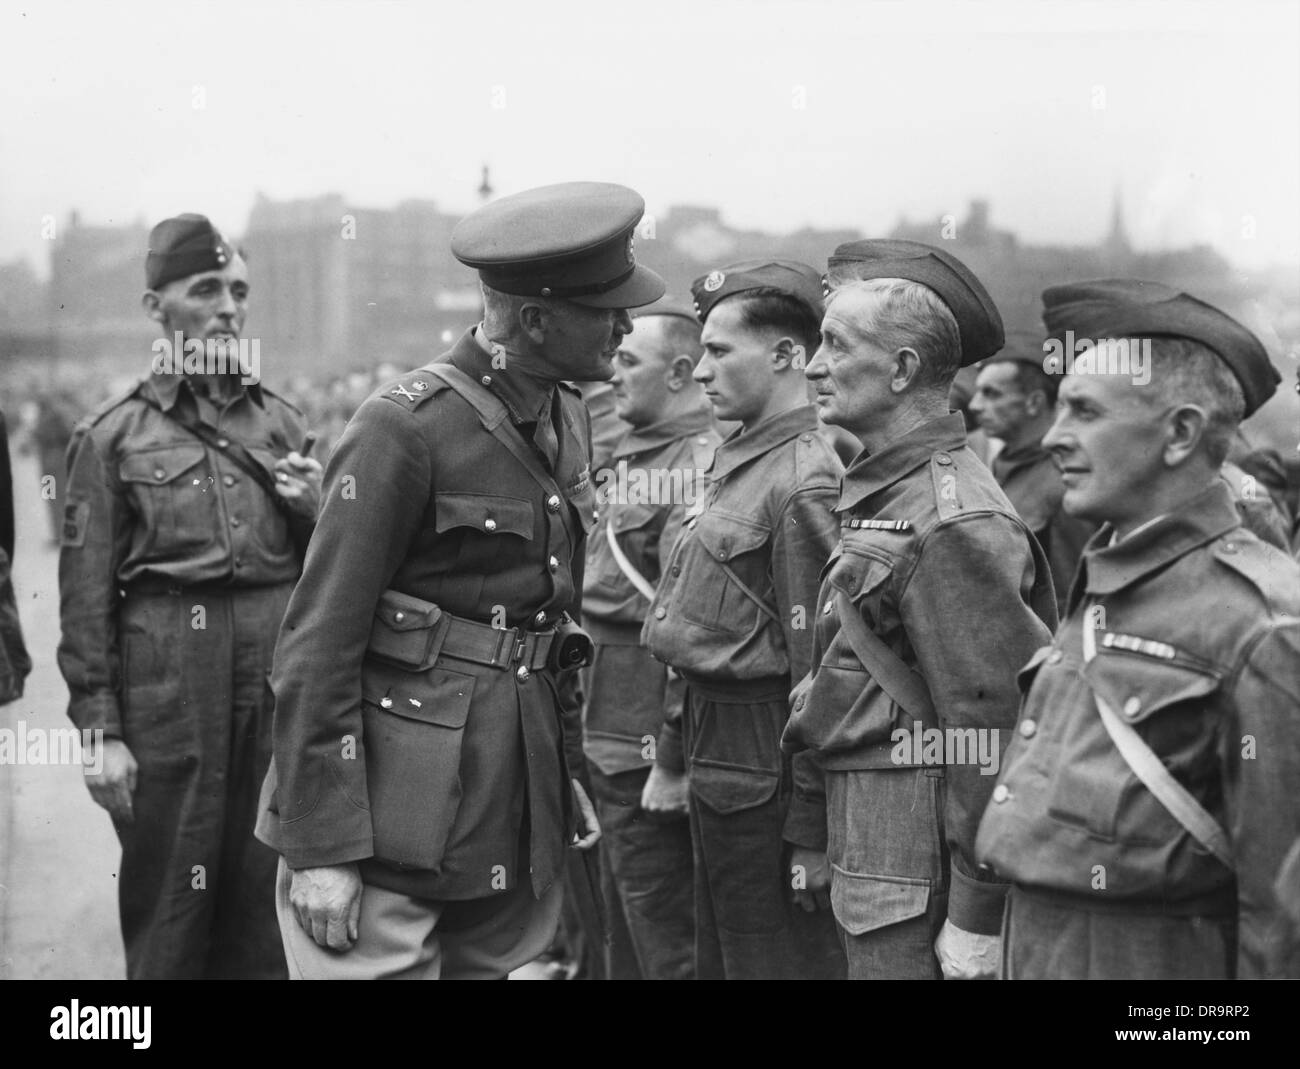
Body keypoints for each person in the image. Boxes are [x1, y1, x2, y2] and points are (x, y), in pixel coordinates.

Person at [255, 181, 664, 980]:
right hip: (389, 817)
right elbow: (317, 640)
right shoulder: (402, 427)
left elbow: (552, 628)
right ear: (536, 321)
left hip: (509, 805)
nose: (625, 325)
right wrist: (321, 846)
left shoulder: (567, 412)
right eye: (607, 309)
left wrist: (563, 779)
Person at [975, 279, 1300, 979]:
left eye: (1085, 412)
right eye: (1059, 410)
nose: (1056, 437)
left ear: (1180, 433)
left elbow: (1283, 916)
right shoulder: (1109, 573)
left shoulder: (1262, 620)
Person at [782, 239, 1057, 980]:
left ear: (902, 370)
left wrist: (975, 915)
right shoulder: (888, 492)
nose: (811, 365)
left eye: (835, 344)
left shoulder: (953, 518)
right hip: (880, 843)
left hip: (919, 866)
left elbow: (993, 727)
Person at [57, 213, 321, 979]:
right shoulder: (112, 436)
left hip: (270, 687)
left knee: (264, 905)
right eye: (206, 289)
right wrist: (99, 729)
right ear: (156, 309)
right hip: (169, 685)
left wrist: (315, 511)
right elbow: (84, 596)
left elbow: (321, 577)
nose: (230, 306)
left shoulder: (282, 422)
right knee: (170, 902)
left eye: (238, 289)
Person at [641, 260, 846, 980]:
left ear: (787, 355)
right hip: (716, 742)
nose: (700, 371)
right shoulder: (742, 458)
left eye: (721, 351)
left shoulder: (806, 476)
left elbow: (821, 669)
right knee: (721, 953)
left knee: (770, 959)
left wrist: (813, 831)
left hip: (768, 759)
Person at [581, 296, 719, 980]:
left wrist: (670, 758)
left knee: (667, 944)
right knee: (619, 939)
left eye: (627, 361)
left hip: (644, 748)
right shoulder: (639, 453)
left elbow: (689, 633)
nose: (611, 373)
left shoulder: (695, 467)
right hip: (606, 736)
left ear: (680, 372)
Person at [969, 331, 1097, 605]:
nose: (975, 405)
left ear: (1034, 403)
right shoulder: (989, 462)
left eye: (991, 394)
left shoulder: (1065, 478)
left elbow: (1071, 593)